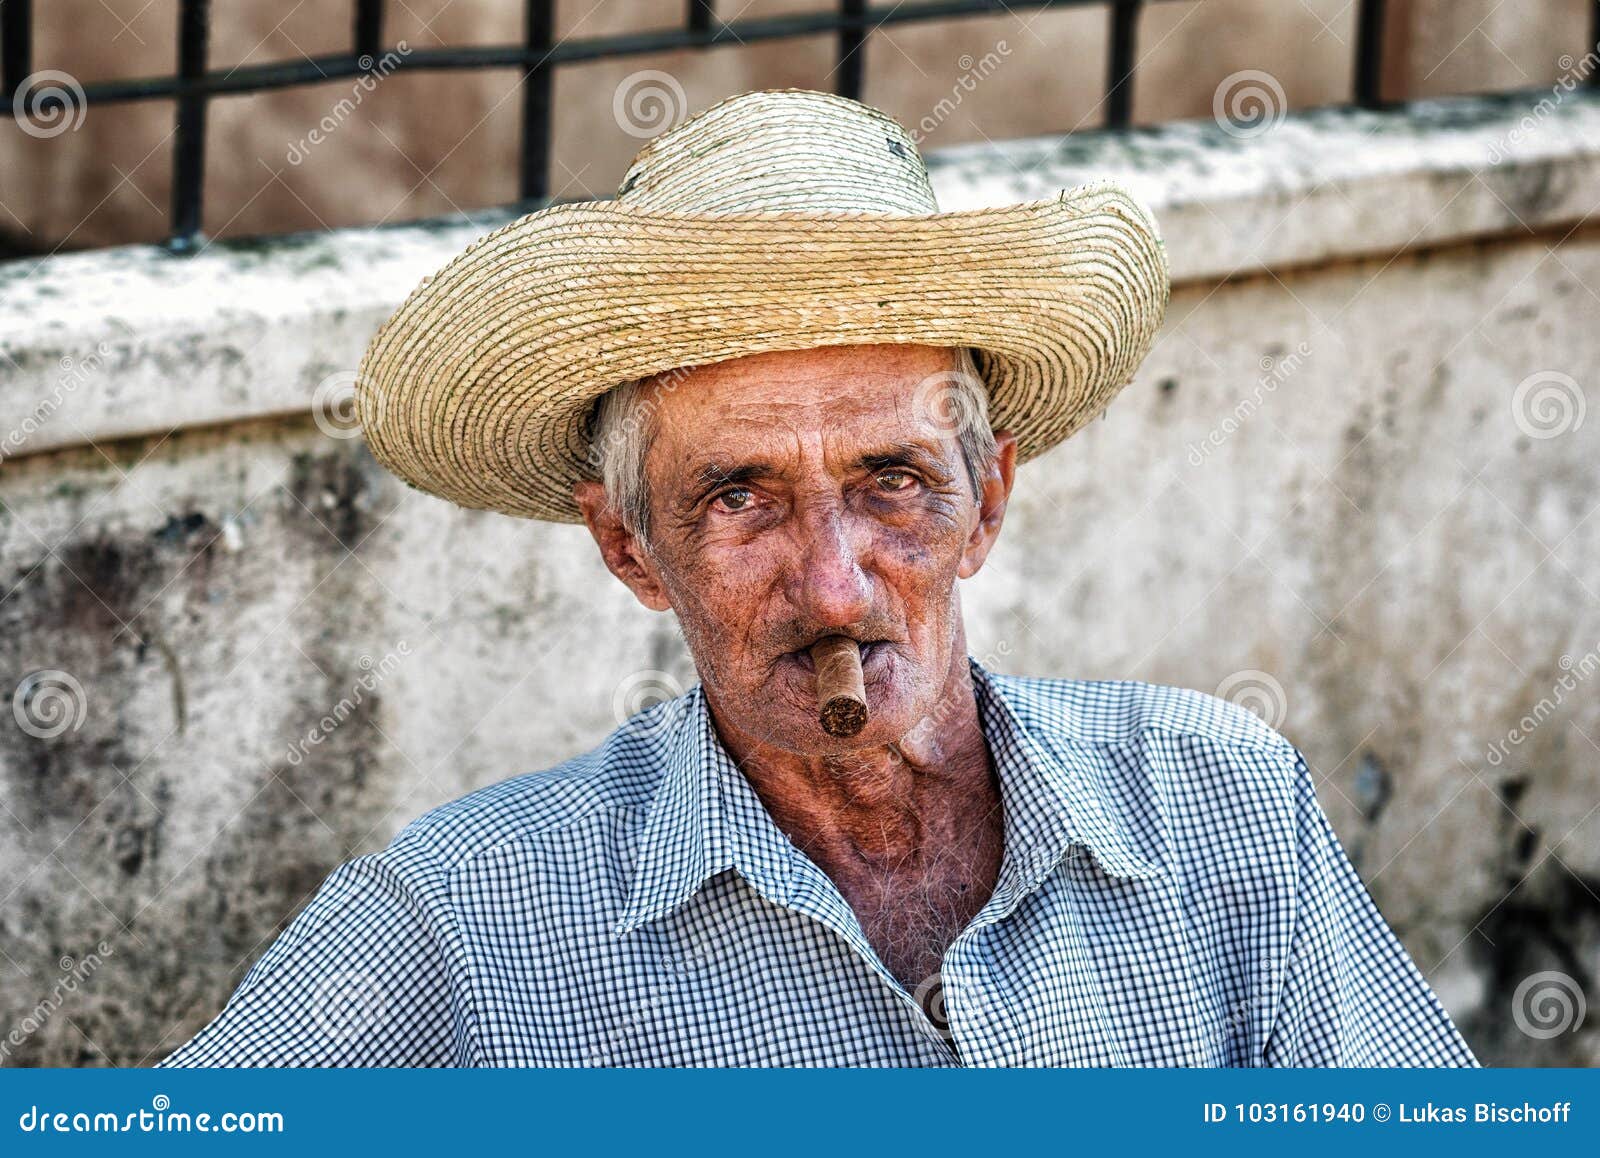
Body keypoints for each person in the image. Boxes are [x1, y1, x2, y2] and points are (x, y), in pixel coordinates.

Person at [160, 89, 1476, 1067]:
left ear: (987, 500)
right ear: (630, 548)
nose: (836, 586)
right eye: (739, 497)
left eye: (892, 480)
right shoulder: (470, 915)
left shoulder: (1221, 812)